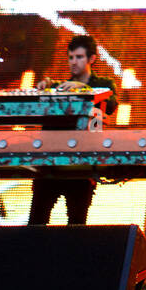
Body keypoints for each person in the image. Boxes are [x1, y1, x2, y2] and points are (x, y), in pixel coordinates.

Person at [28, 35, 119, 226]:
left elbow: (110, 106)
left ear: (91, 59)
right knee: (37, 221)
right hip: (50, 162)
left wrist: (84, 89)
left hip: (81, 164)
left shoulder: (104, 85)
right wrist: (46, 90)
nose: (73, 62)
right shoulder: (59, 87)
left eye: (78, 57)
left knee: (77, 224)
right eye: (71, 57)